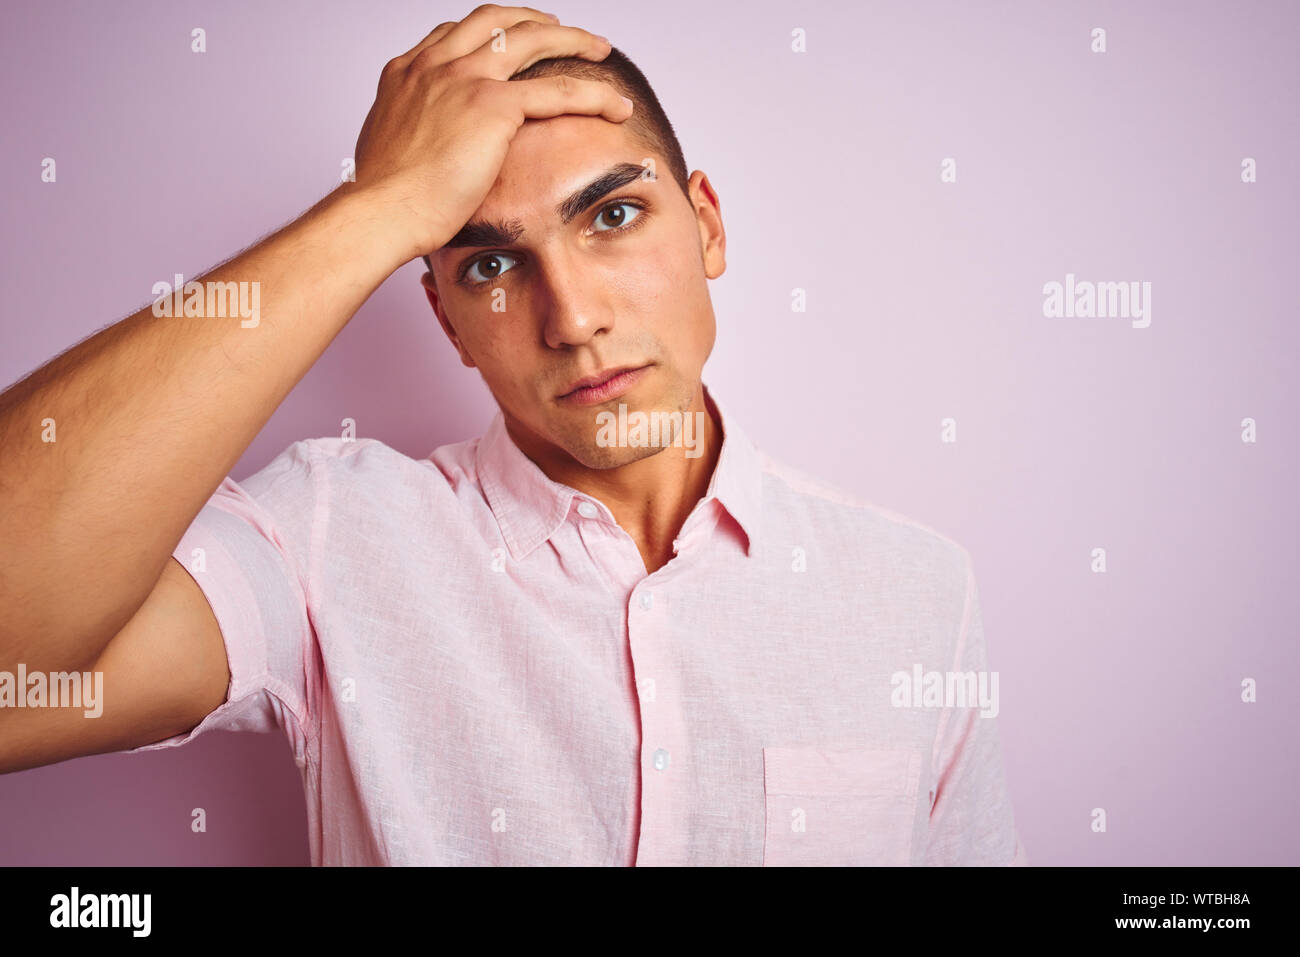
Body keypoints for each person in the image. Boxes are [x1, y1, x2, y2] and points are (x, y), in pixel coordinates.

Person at [0, 4, 1026, 866]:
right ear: (443, 317)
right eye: (489, 265)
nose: (572, 316)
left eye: (613, 217)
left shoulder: (916, 591)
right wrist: (380, 207)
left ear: (706, 224)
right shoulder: (328, 538)